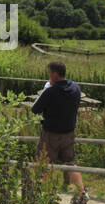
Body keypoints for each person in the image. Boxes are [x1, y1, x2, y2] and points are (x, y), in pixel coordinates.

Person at [31, 61, 84, 194]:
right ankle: (82, 191)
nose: (49, 76)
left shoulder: (50, 91)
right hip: (69, 133)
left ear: (54, 74)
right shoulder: (75, 88)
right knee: (70, 163)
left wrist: (45, 90)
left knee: (43, 163)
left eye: (49, 73)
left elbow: (35, 109)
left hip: (51, 134)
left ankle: (38, 192)